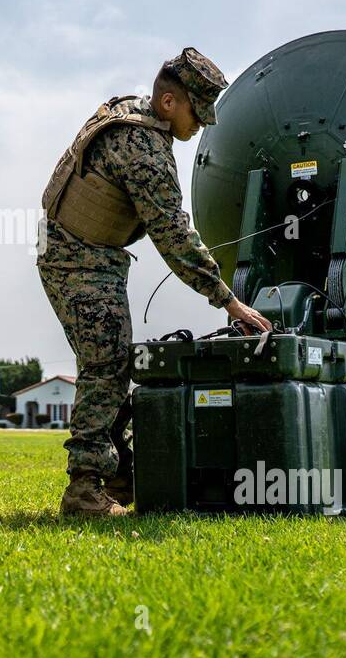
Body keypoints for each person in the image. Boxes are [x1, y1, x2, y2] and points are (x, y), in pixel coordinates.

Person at [38, 48, 273, 517]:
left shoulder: (130, 112)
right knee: (105, 363)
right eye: (197, 112)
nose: (202, 124)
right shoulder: (145, 151)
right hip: (78, 260)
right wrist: (230, 304)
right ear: (169, 103)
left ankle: (120, 474)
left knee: (115, 360)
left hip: (81, 254)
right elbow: (175, 239)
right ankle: (85, 490)